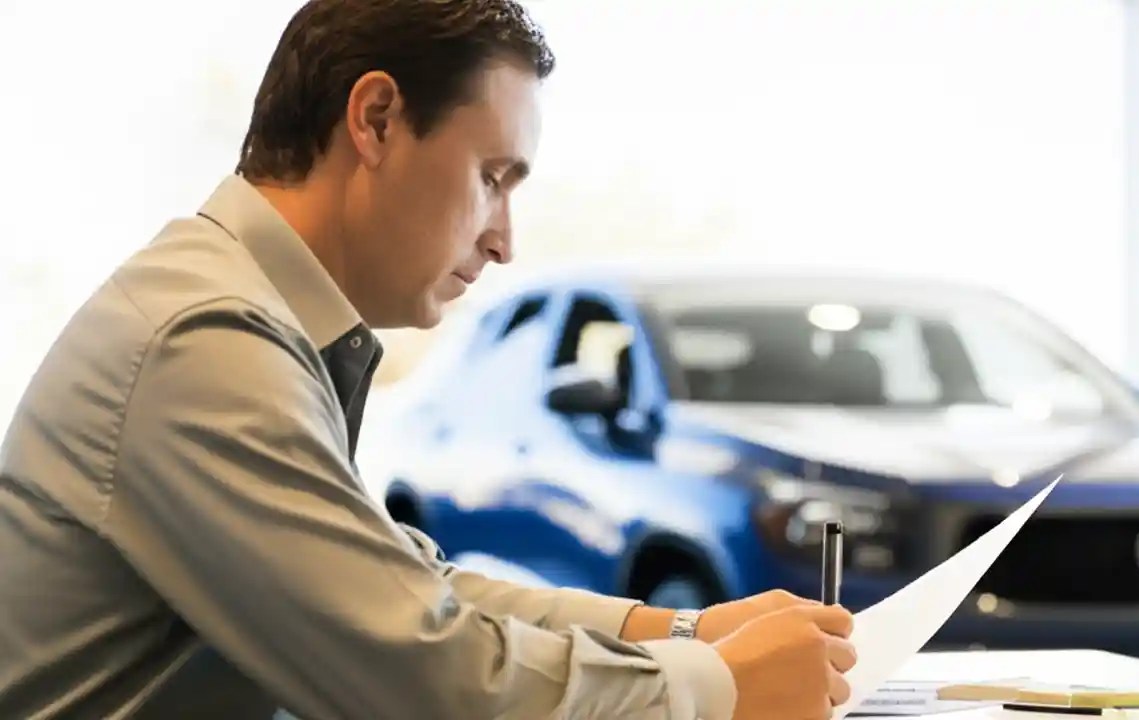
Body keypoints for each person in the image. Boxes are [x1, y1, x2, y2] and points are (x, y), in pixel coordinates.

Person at [0, 1, 857, 718]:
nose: (504, 240)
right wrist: (714, 690)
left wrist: (681, 636)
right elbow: (421, 673)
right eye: (492, 175)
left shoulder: (241, 311)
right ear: (376, 120)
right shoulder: (203, 339)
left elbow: (413, 591)